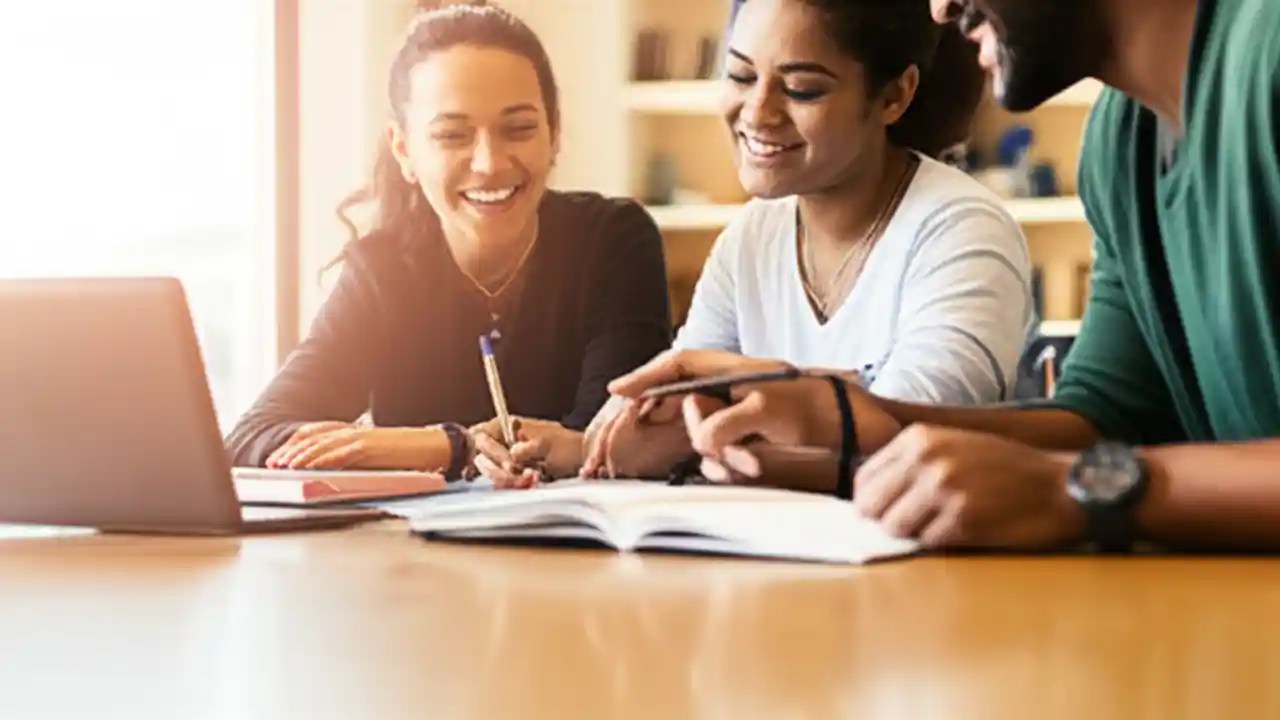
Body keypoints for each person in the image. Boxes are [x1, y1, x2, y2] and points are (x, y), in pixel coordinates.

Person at [608, 0, 1280, 551]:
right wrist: (853, 422)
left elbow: (1091, 461)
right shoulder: (1118, 142)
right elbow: (1104, 418)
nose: (940, 7)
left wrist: (1073, 488)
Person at [477, 0, 1037, 487]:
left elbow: (911, 437)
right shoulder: (750, 237)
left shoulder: (962, 230)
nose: (759, 112)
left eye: (801, 88)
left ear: (894, 96)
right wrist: (587, 448)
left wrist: (719, 393)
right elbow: (684, 419)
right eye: (741, 77)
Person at [224, 4, 672, 476]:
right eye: (452, 135)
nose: (489, 163)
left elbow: (608, 444)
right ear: (405, 151)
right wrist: (452, 445)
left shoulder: (614, 241)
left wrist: (409, 448)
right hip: (417, 549)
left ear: (554, 134)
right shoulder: (383, 271)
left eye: (518, 129)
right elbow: (251, 438)